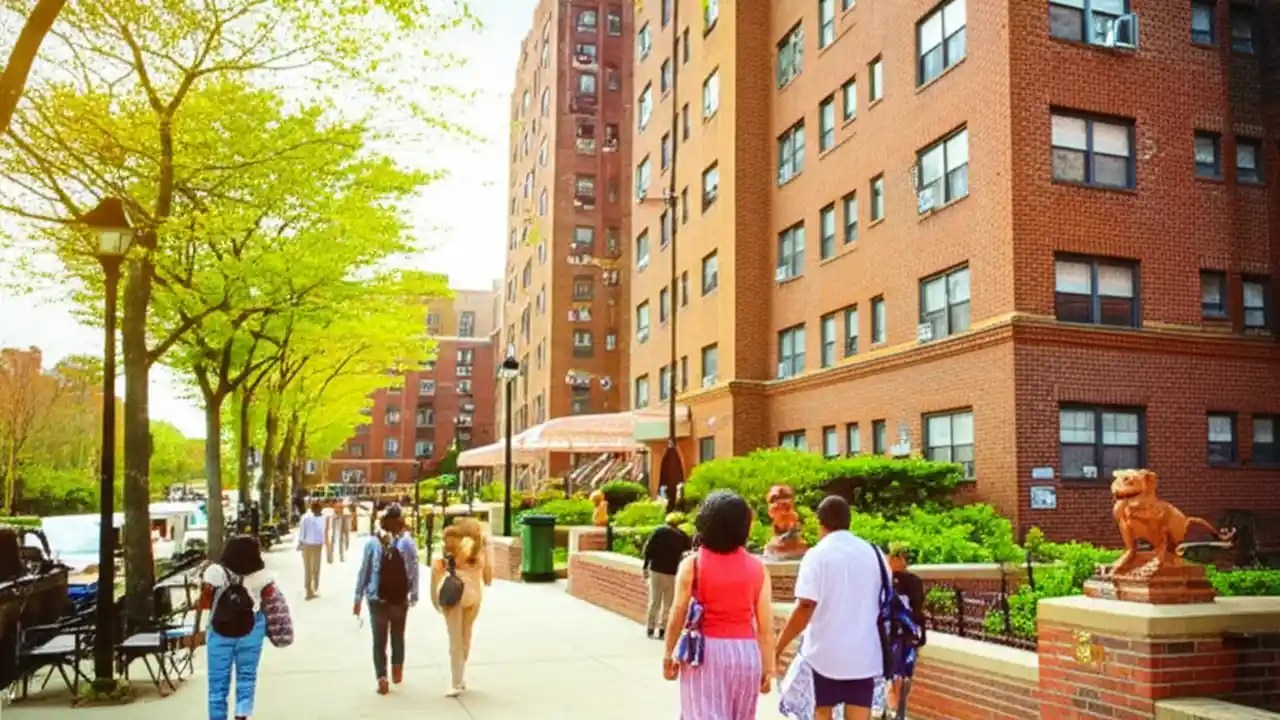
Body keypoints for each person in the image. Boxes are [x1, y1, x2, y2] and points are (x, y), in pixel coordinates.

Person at [662, 490, 776, 719]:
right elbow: (765, 626)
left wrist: (668, 652)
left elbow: (678, 612)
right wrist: (768, 667)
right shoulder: (758, 568)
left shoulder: (692, 564)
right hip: (746, 654)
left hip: (705, 654)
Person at [776, 496, 886, 720]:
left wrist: (777, 647)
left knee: (822, 711)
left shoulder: (817, 555)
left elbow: (805, 607)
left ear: (821, 523)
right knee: (859, 713)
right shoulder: (875, 554)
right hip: (864, 655)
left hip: (825, 655)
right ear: (849, 521)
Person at [199, 535, 275, 720]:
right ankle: (242, 714)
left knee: (217, 684)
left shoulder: (215, 572)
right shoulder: (263, 575)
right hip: (252, 628)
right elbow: (268, 600)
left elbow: (205, 603)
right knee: (247, 677)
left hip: (220, 629)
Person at [353, 504, 419, 695]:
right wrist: (413, 594)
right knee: (398, 635)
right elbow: (412, 572)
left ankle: (382, 677)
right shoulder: (407, 543)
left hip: (376, 598)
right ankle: (397, 668)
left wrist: (357, 597)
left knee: (378, 640)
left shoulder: (373, 543)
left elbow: (364, 571)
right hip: (399, 598)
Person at [431, 518, 492, 697]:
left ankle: (456, 682)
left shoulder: (452, 549)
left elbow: (437, 571)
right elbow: (488, 579)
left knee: (455, 639)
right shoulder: (481, 550)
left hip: (456, 595)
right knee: (466, 635)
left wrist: (434, 597)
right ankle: (461, 674)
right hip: (475, 595)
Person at [881, 545, 926, 720]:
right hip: (888, 635)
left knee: (903, 673)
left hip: (904, 635)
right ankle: (889, 709)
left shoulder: (911, 581)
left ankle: (898, 710)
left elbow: (917, 608)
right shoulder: (884, 581)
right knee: (891, 674)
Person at [642, 512, 692, 639]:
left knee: (654, 600)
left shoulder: (658, 532)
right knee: (668, 603)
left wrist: (645, 566)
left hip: (657, 570)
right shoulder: (682, 536)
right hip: (673, 572)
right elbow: (687, 554)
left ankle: (650, 627)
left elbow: (648, 550)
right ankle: (663, 628)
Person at [296, 501, 326, 599]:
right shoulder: (306, 517)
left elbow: (322, 531)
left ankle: (312, 588)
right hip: (310, 545)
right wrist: (300, 543)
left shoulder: (320, 517)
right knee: (310, 569)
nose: (320, 511)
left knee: (314, 568)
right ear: (315, 509)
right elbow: (302, 531)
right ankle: (309, 590)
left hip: (315, 545)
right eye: (319, 509)